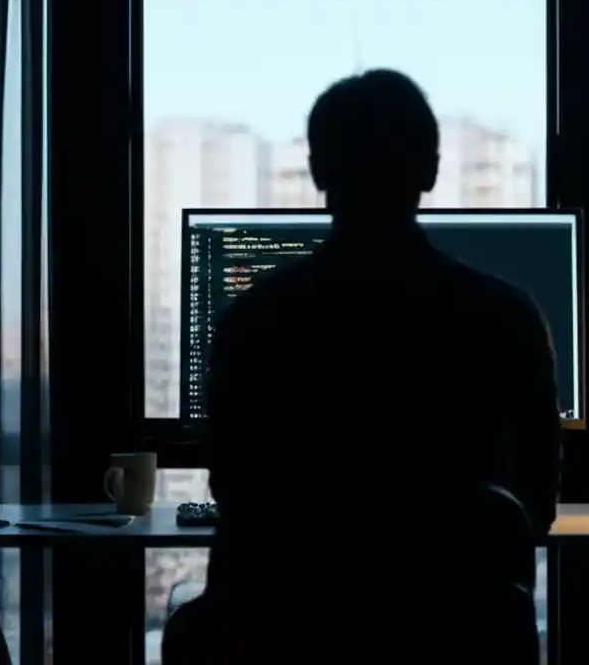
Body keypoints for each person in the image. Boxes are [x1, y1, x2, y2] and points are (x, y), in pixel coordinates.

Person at [163, 69, 562, 663]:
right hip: (457, 638)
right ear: (429, 170)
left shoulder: (253, 323)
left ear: (320, 171)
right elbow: (535, 505)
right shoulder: (506, 317)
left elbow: (236, 491)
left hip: (285, 638)